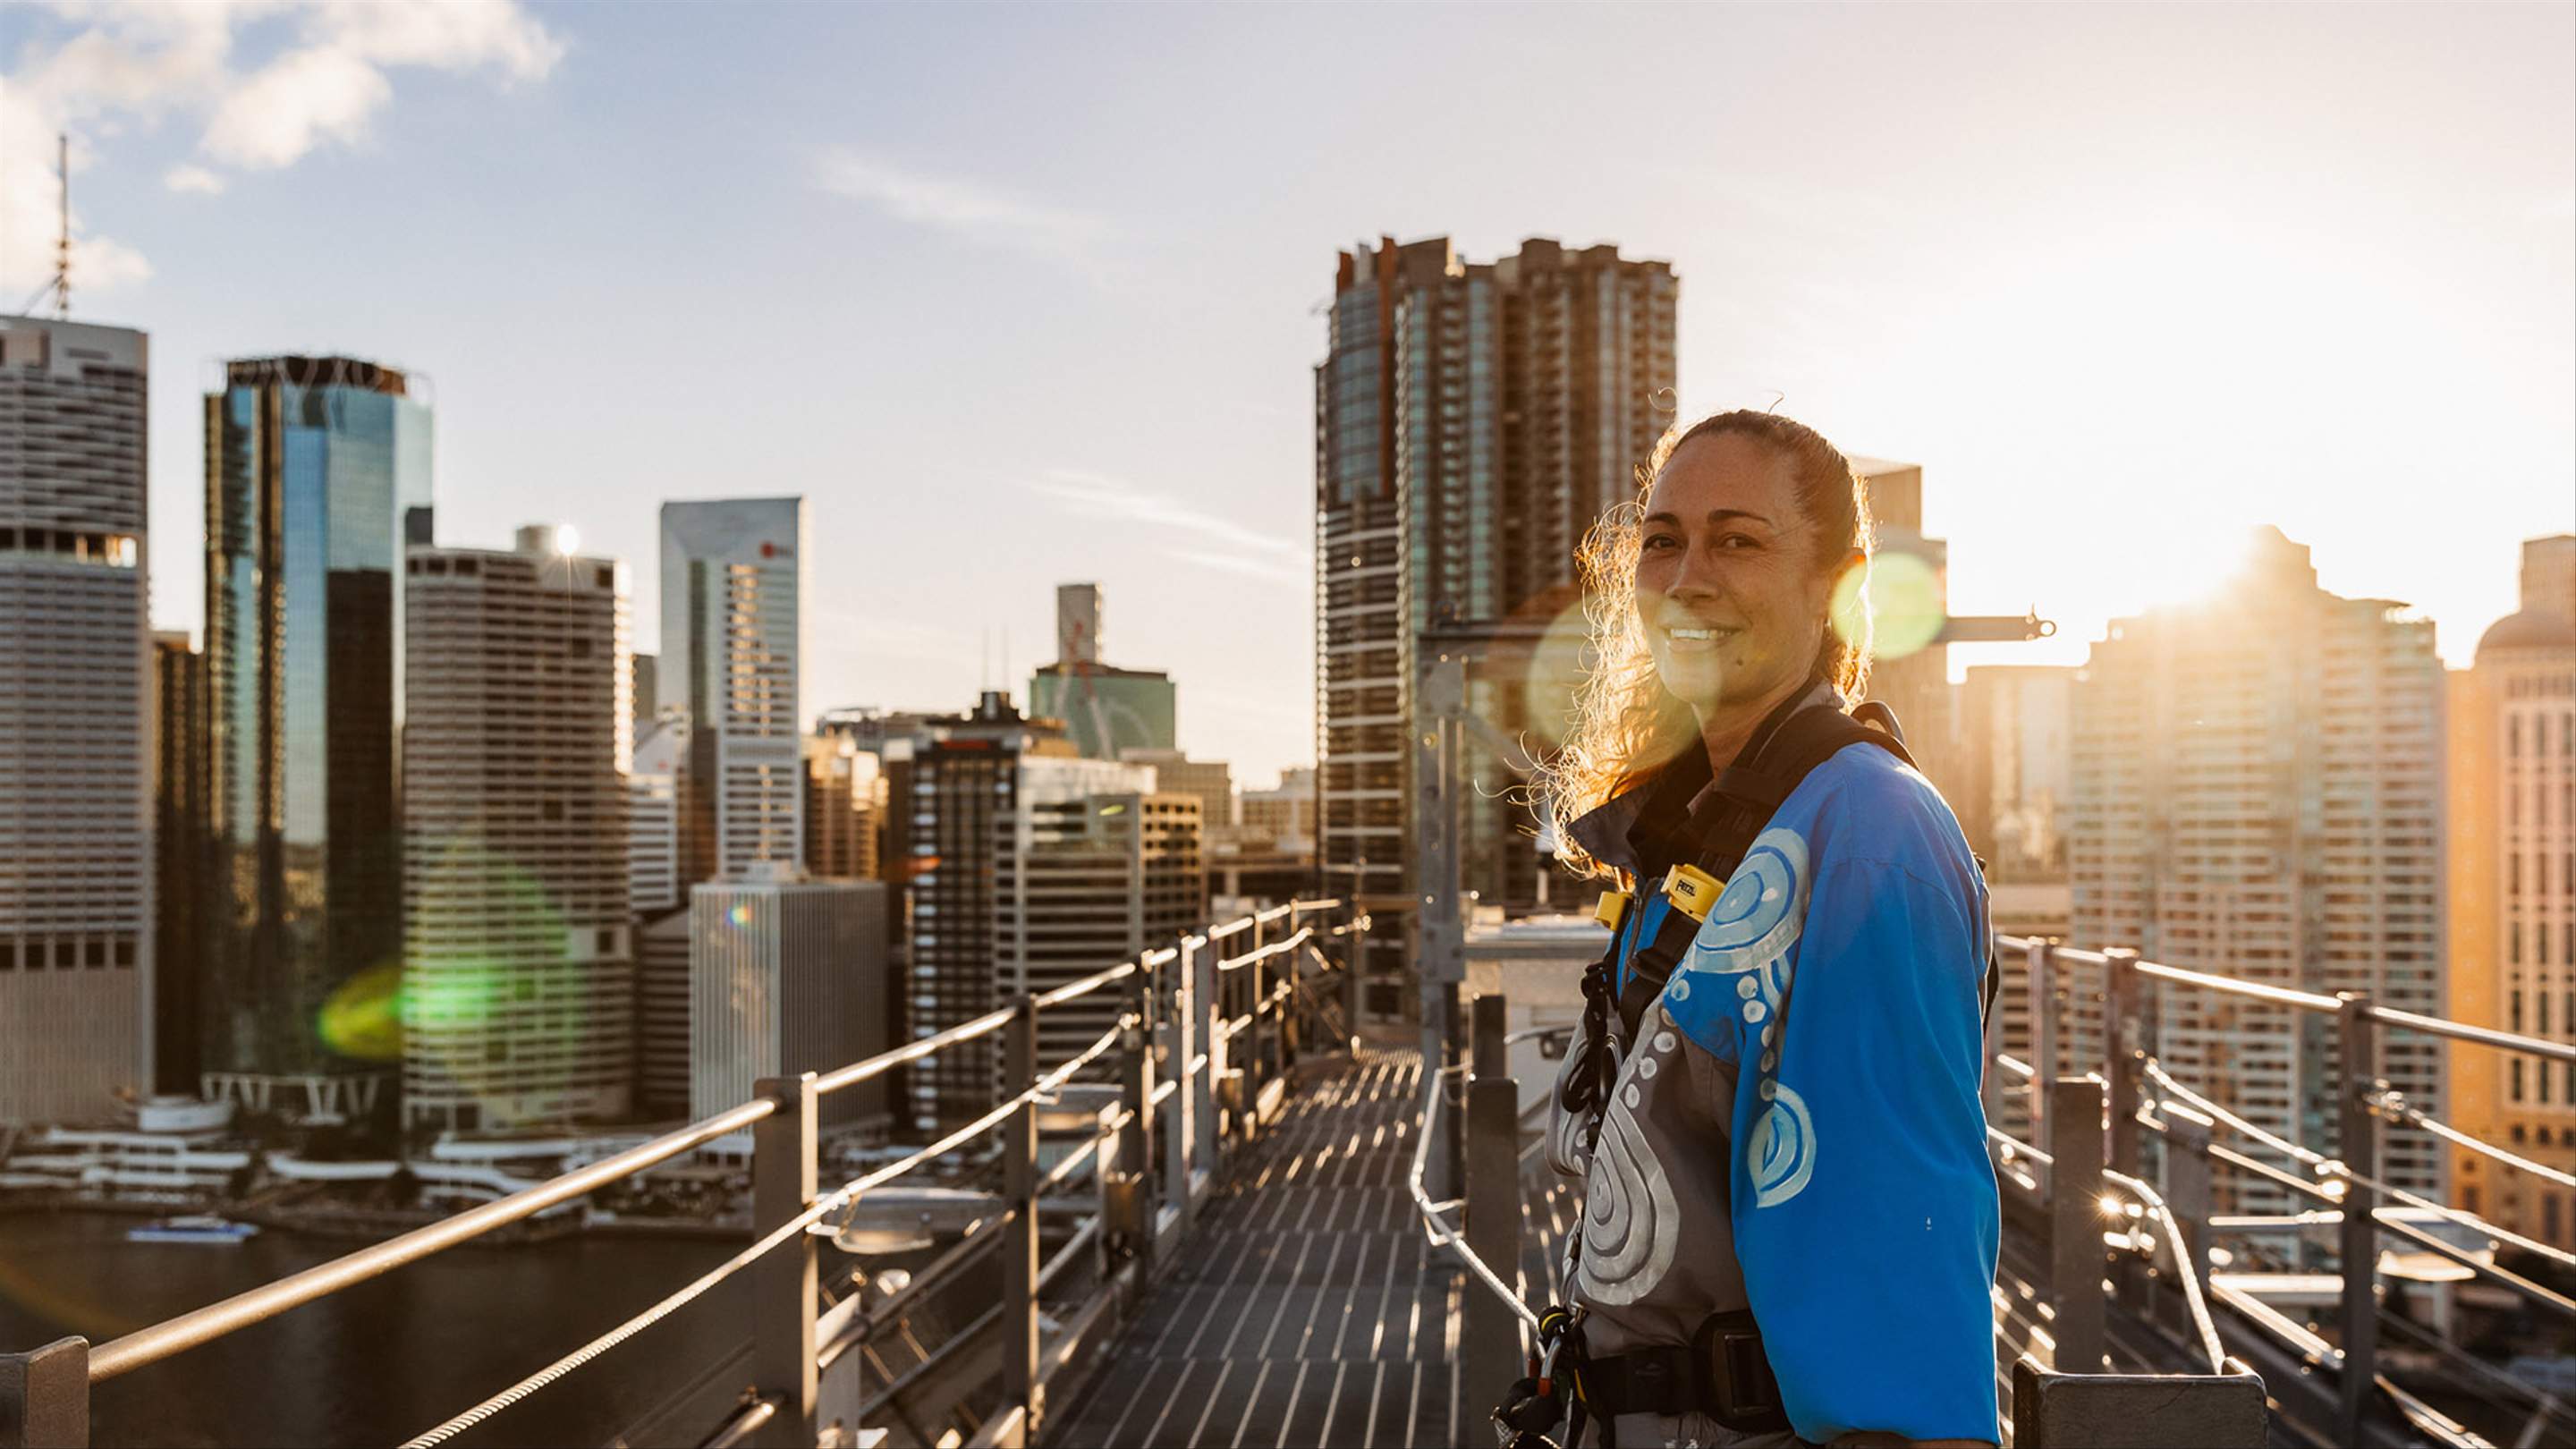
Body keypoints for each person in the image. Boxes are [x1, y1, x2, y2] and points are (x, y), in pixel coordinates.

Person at [1532, 410, 2000, 1448]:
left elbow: (1896, 1253)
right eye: (1663, 540)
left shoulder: (1867, 837)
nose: (1688, 576)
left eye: (1738, 540)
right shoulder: (1693, 835)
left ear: (1838, 585)